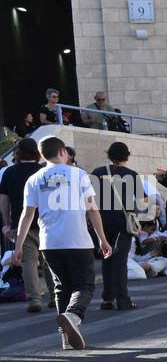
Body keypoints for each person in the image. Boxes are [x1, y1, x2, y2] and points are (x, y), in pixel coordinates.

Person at [12, 134, 112, 349]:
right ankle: (73, 316)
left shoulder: (35, 179)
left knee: (61, 287)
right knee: (84, 285)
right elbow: (92, 210)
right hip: (77, 239)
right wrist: (103, 239)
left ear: (42, 154)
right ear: (63, 152)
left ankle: (66, 338)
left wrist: (18, 245)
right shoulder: (78, 174)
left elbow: (27, 214)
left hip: (49, 242)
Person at [92, 141, 142, 311]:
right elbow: (141, 201)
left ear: (109, 154)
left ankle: (107, 298)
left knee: (107, 259)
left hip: (102, 221)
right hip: (123, 222)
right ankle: (123, 299)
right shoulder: (132, 174)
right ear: (126, 156)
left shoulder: (97, 173)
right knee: (120, 262)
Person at [0, 137, 48, 312]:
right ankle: (55, 295)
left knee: (29, 261)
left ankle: (34, 298)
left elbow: (4, 202)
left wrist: (6, 224)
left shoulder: (9, 172)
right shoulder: (43, 171)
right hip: (46, 221)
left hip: (21, 222)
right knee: (48, 260)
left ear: (18, 153)